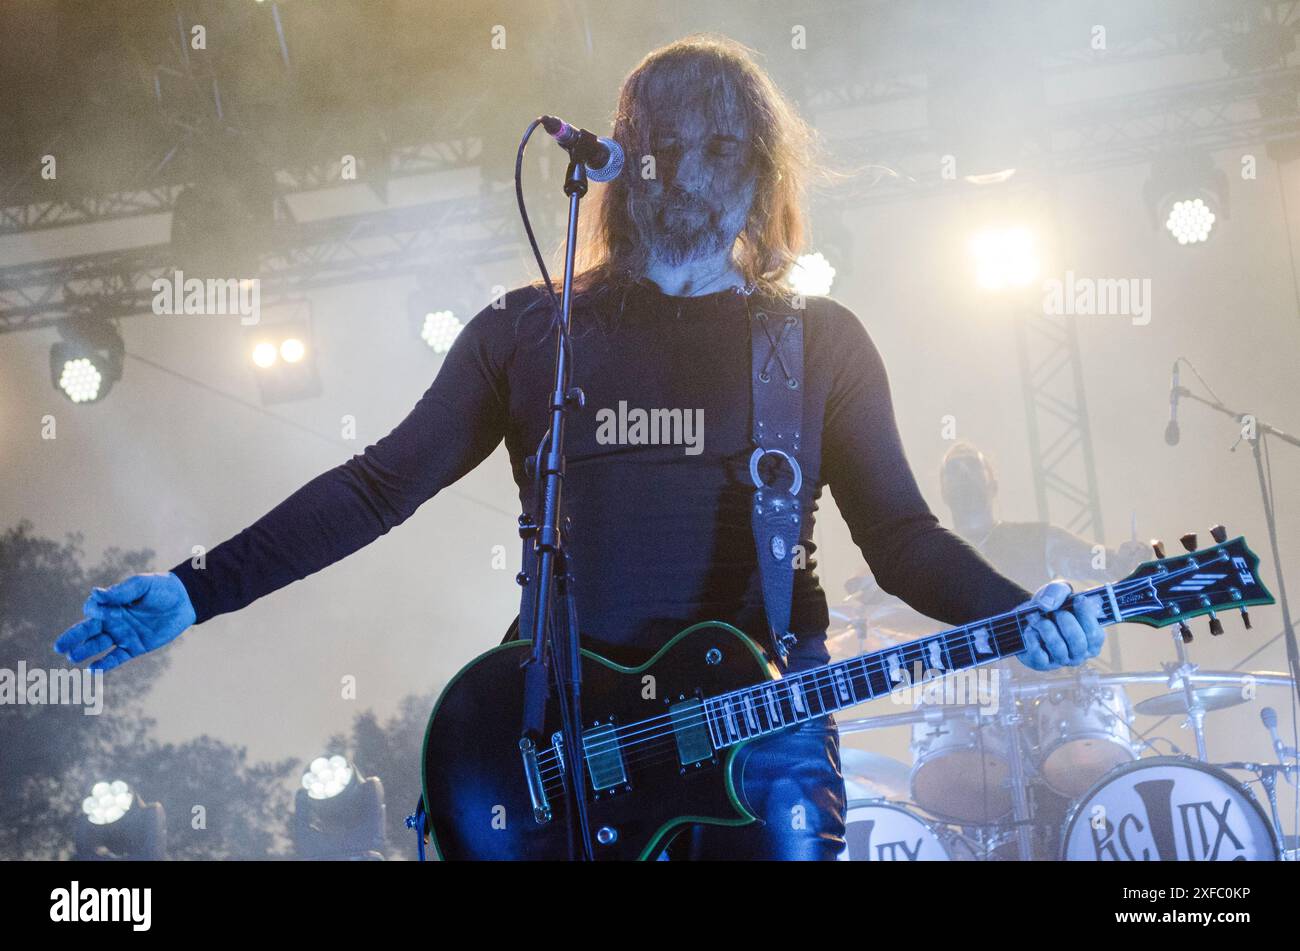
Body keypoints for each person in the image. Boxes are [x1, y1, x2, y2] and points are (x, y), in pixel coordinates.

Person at [54, 34, 1104, 860]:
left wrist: (1014, 615)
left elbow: (902, 537)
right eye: (671, 141)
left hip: (765, 735)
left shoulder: (816, 342)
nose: (692, 167)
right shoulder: (527, 332)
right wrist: (197, 590)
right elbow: (379, 486)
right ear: (624, 160)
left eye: (720, 143)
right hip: (556, 739)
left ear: (760, 170)